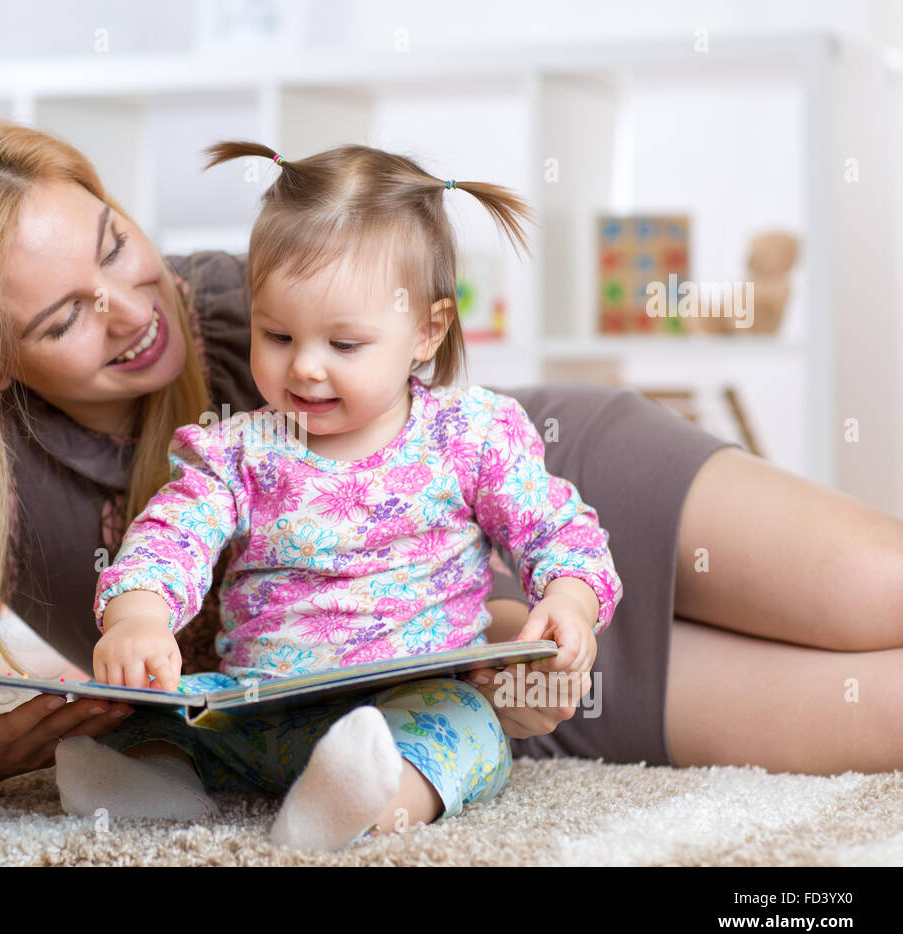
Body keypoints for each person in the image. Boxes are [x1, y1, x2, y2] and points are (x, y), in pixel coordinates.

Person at [0, 116, 903, 797]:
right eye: (64, 318)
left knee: (876, 585)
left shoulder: (235, 307)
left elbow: (387, 288)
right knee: (876, 715)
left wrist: (541, 593)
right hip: (467, 661)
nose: (135, 309)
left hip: (548, 482)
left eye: (117, 244)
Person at [51, 139, 623, 850]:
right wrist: (138, 617)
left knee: (469, 732)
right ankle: (147, 786)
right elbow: (172, 535)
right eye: (278, 334)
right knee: (163, 716)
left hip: (409, 708)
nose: (306, 367)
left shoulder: (472, 436)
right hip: (258, 708)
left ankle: (357, 802)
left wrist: (569, 601)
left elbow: (562, 533)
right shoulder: (237, 449)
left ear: (427, 331)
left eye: (344, 345)